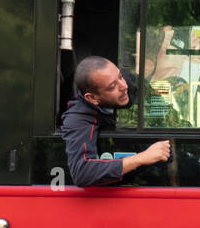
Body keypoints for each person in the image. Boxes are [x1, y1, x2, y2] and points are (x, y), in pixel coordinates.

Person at [61, 56, 171, 186]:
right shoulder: (78, 117)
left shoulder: (130, 81)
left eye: (120, 76)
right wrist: (142, 158)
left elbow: (165, 116)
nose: (124, 86)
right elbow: (82, 172)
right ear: (92, 98)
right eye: (112, 87)